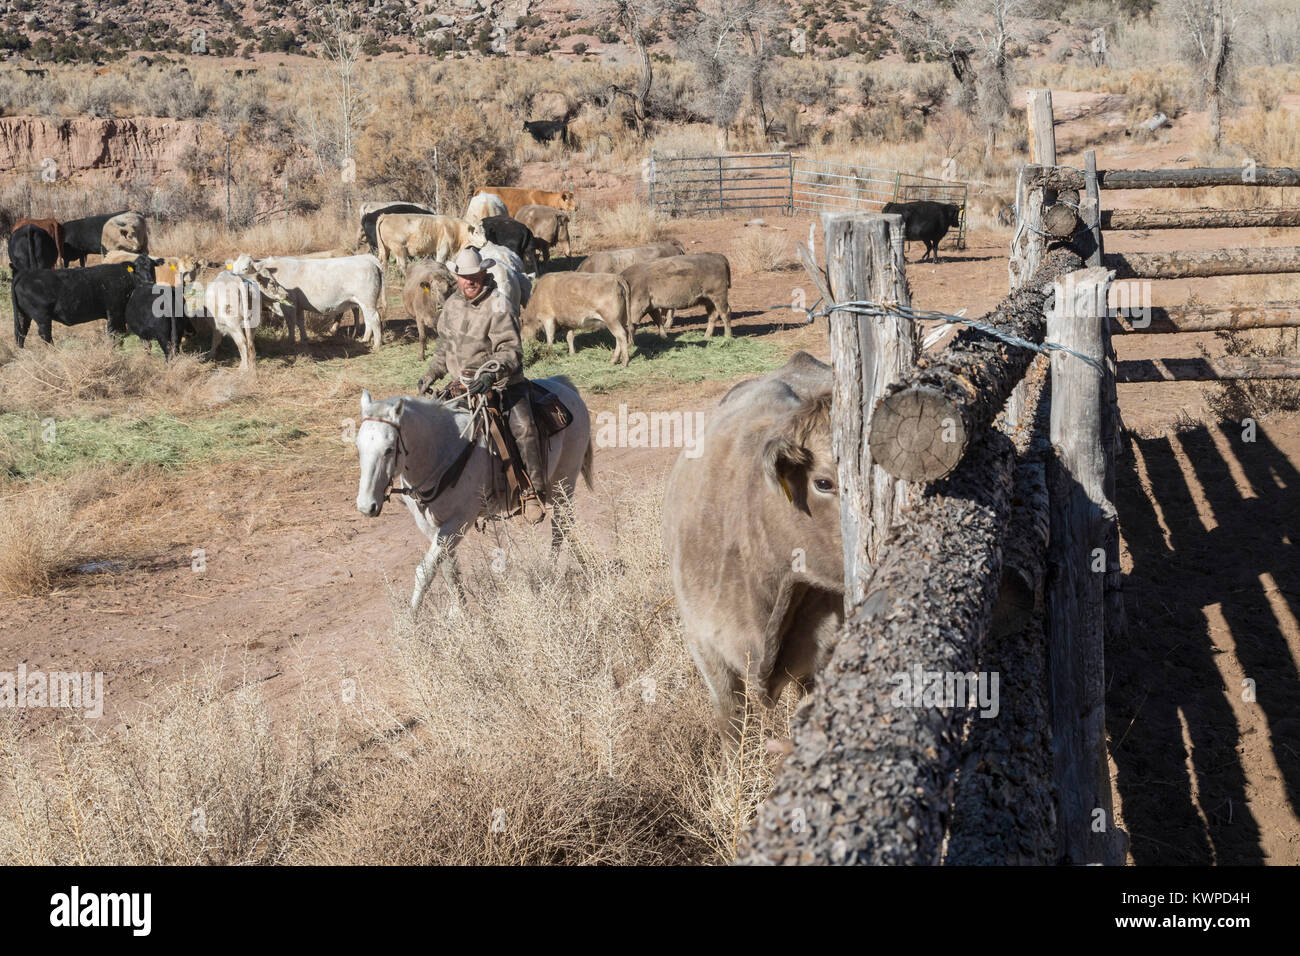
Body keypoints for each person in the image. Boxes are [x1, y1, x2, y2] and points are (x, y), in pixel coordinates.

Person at [416, 247, 547, 523]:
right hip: (459, 385)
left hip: (501, 385)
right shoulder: (452, 304)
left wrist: (490, 374)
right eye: (464, 277)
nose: (470, 281)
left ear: (484, 273)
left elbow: (511, 350)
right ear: (457, 277)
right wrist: (431, 373)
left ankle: (532, 492)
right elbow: (445, 347)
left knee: (523, 428)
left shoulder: (499, 303)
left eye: (474, 275)